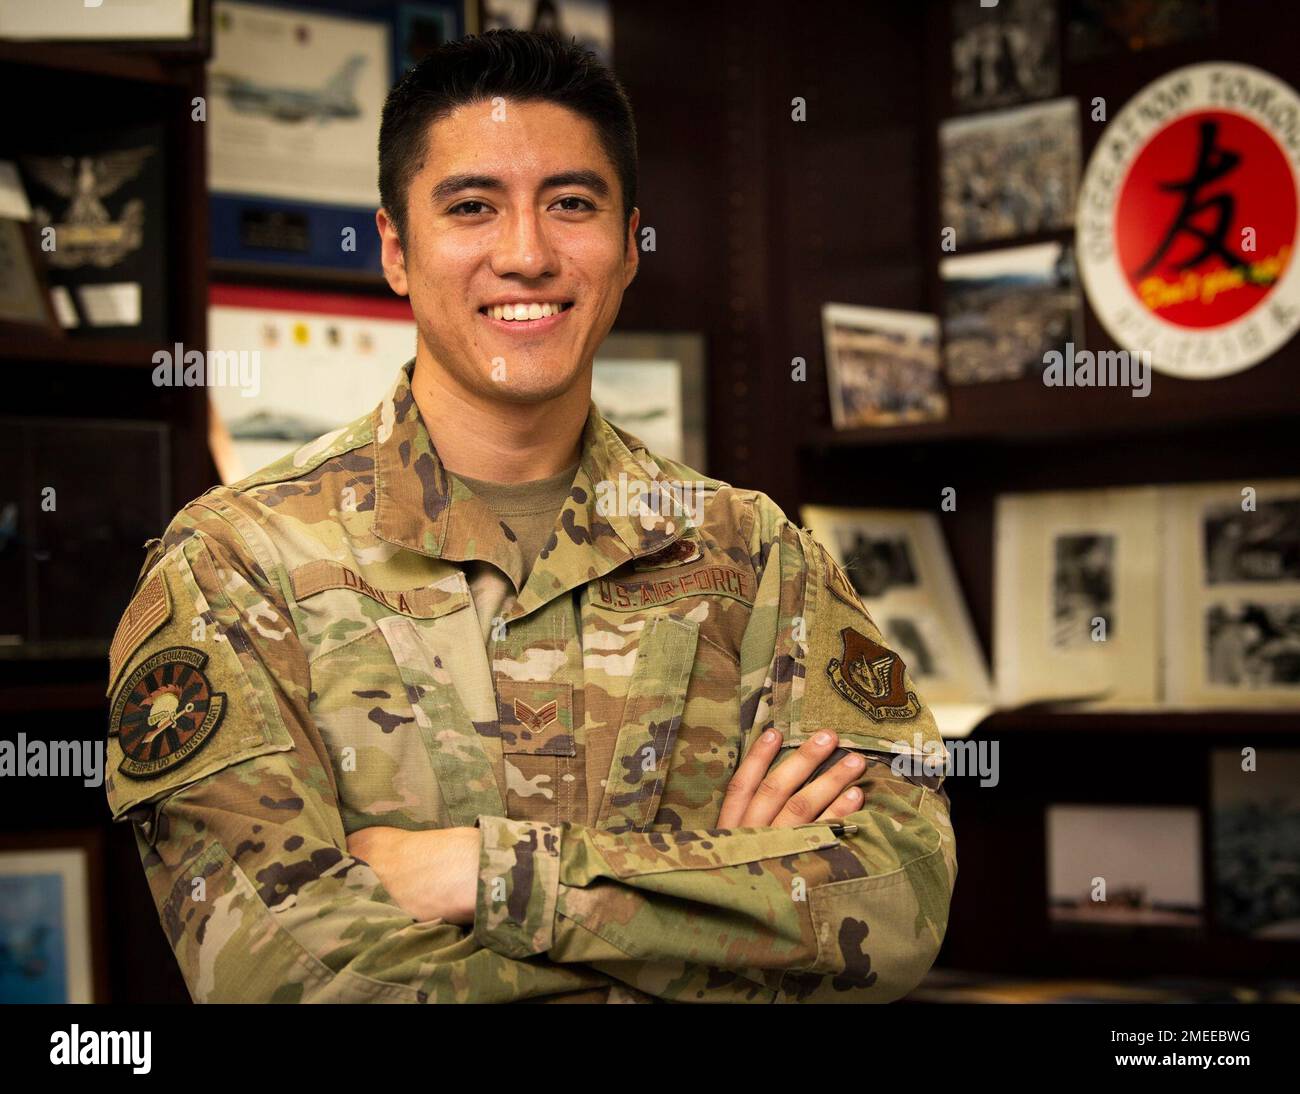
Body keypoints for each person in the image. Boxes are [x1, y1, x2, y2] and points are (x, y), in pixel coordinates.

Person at [104, 29, 956, 1003]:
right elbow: (294, 974)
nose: (526, 253)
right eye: (472, 206)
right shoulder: (233, 567)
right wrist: (719, 897)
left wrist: (487, 874)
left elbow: (894, 906)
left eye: (571, 205)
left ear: (629, 246)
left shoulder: (754, 557)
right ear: (395, 248)